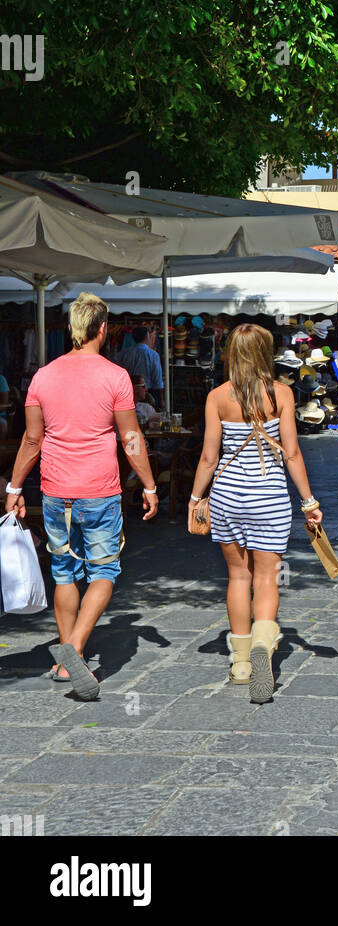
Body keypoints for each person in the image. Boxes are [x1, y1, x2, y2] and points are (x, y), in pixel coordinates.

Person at [4, 293, 158, 698]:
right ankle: (72, 649)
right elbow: (130, 437)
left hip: (56, 493)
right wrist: (149, 484)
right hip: (100, 492)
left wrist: (14, 487)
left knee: (64, 574)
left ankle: (63, 662)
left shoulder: (44, 376)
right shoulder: (114, 376)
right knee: (104, 572)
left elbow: (32, 439)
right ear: (103, 329)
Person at [187, 323, 321, 703]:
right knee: (266, 576)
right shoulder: (281, 394)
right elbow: (292, 453)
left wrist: (196, 497)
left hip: (229, 495)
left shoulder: (217, 397)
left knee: (236, 576)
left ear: (230, 352)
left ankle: (242, 662)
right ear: (265, 354)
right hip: (269, 495)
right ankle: (265, 642)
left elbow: (209, 457)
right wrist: (309, 502)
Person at [117, 324, 164, 406]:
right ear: (147, 336)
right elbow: (157, 380)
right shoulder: (153, 355)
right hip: (146, 396)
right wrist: (160, 400)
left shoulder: (123, 354)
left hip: (127, 394)